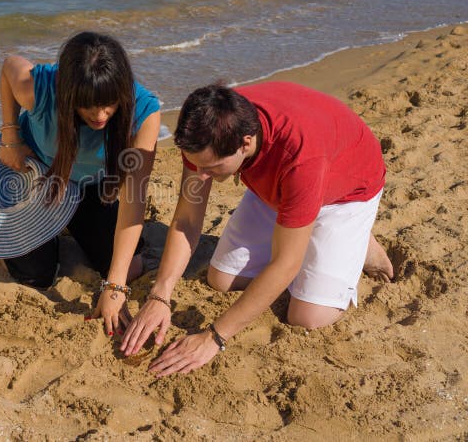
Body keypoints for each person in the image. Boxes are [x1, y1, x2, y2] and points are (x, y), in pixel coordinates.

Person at [120, 81, 394, 377]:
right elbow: (187, 219)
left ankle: (357, 238)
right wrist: (160, 295)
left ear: (245, 143)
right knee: (221, 279)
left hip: (344, 193)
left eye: (211, 168)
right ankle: (307, 228)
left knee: (307, 316)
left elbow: (286, 265)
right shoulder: (206, 130)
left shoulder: (300, 159)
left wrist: (214, 337)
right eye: (196, 165)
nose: (200, 175)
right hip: (277, 189)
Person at [0, 31, 161, 336]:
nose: (99, 115)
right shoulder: (41, 89)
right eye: (87, 106)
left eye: (109, 105)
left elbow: (134, 199)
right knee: (36, 276)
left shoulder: (144, 112)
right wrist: (10, 136)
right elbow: (10, 65)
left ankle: (70, 220)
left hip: (90, 185)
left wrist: (115, 286)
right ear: (70, 93)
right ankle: (43, 228)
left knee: (132, 268)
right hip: (38, 175)